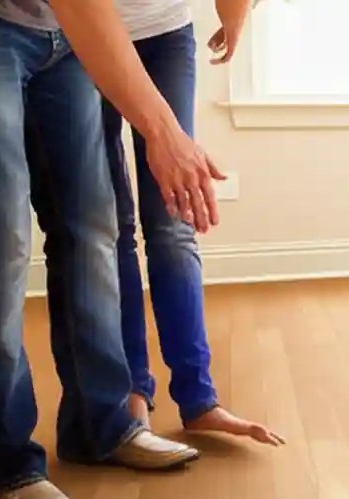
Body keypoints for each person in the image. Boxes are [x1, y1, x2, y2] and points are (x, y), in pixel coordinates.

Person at [0, 0, 225, 499]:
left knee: (93, 228)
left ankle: (101, 425)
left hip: (56, 29)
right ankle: (6, 466)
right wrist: (164, 132)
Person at [42, 0, 284, 446]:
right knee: (109, 225)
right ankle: (132, 389)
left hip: (165, 34)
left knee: (174, 222)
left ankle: (199, 400)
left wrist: (235, 14)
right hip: (82, 35)